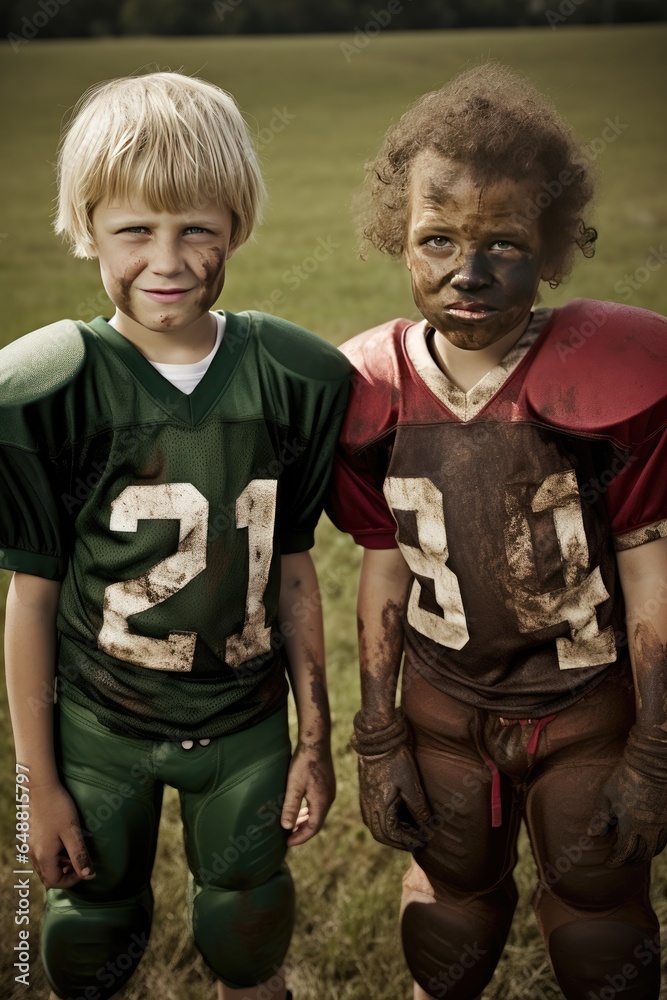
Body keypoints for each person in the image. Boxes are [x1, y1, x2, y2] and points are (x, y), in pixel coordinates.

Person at [1, 71, 349, 1000]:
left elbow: (295, 571)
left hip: (240, 720)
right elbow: (31, 597)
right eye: (135, 230)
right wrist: (37, 786)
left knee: (248, 927)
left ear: (235, 224)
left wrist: (313, 736)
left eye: (197, 227)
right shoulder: (52, 386)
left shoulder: (290, 376)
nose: (169, 259)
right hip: (100, 721)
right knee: (86, 932)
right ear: (87, 226)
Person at [329, 63, 666, 1000]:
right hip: (443, 705)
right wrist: (375, 732)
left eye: (504, 245)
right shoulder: (371, 389)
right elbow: (383, 571)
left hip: (583, 704)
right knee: (446, 922)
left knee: (600, 922)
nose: (467, 273)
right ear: (395, 238)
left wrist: (654, 748)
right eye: (436, 240)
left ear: (553, 248)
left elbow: (649, 579)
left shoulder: (608, 376)